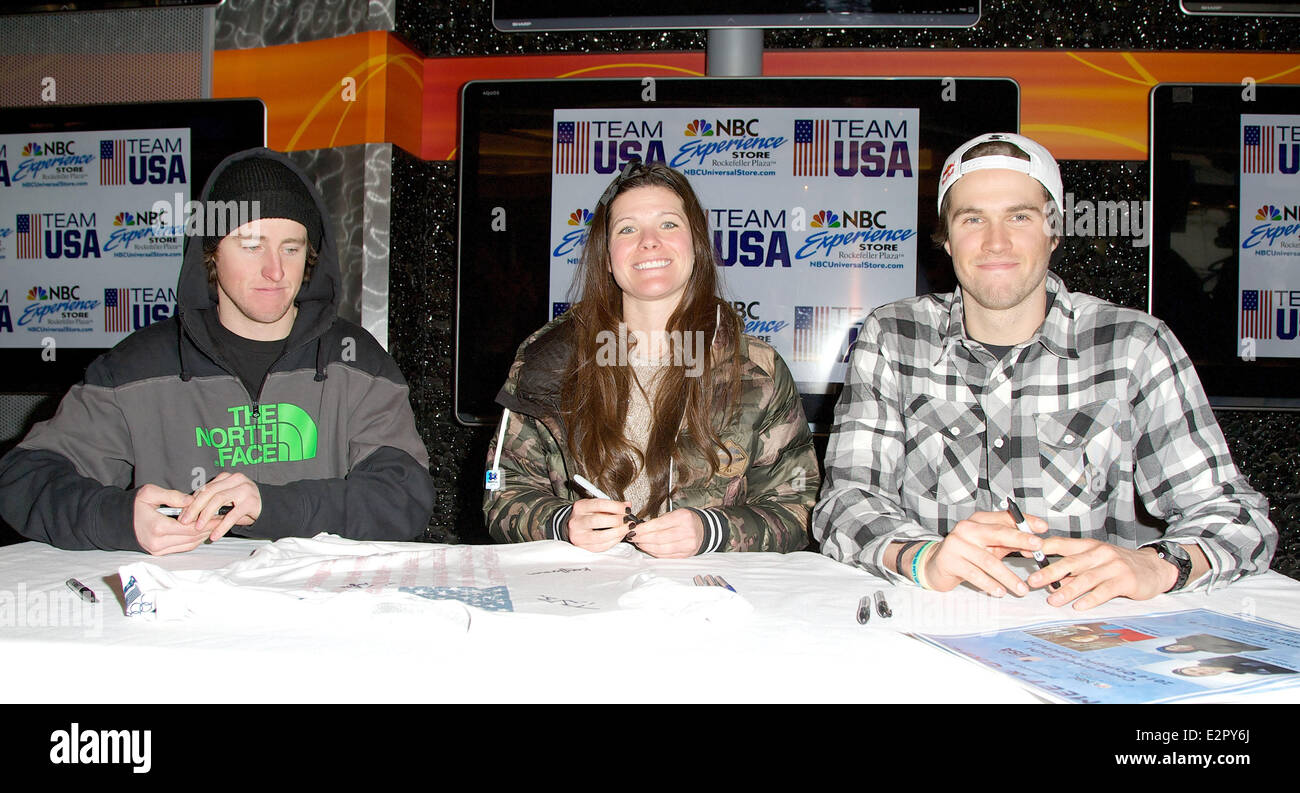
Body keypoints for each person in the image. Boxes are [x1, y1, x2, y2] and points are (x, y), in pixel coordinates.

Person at [812, 132, 1276, 609]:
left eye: (1019, 216)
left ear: (1053, 233)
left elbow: (1236, 517)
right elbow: (845, 504)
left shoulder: (1133, 344)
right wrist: (922, 559)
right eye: (973, 219)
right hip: (931, 619)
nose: (996, 242)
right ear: (946, 240)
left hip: (1087, 630)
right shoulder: (894, 335)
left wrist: (1157, 564)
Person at [0, 148, 435, 554]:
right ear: (211, 253)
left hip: (318, 615)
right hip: (181, 618)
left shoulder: (356, 361)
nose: (275, 269)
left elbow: (405, 496)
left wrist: (270, 506)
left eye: (291, 247)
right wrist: (118, 518)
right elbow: (23, 478)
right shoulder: (136, 368)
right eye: (251, 245)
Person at [484, 161, 818, 558]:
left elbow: (799, 509)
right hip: (580, 597)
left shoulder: (757, 371)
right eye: (627, 229)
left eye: (668, 224)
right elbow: (500, 491)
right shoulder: (549, 360)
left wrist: (713, 531)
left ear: (695, 245)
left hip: (707, 601)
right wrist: (561, 522)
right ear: (607, 258)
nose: (648, 241)